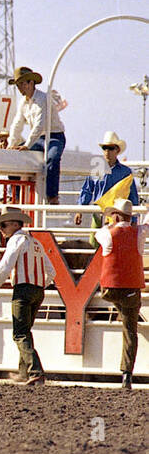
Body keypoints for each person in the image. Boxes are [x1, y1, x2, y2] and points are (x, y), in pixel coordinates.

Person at [0, 206, 55, 386]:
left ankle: (35, 371)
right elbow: (52, 271)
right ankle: (24, 372)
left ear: (15, 224)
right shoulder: (36, 242)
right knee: (25, 331)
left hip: (23, 290)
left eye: (4, 225)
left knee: (20, 333)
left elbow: (6, 265)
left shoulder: (16, 240)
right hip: (38, 290)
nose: (2, 230)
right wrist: (39, 283)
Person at [95, 197, 145, 390]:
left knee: (118, 304)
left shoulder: (106, 234)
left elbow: (97, 237)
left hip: (110, 289)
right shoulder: (139, 232)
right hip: (131, 289)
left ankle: (119, 311)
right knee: (130, 331)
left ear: (115, 216)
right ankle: (127, 374)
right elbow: (145, 225)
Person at [6, 65, 66, 204]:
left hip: (55, 136)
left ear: (31, 83)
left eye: (22, 83)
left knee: (52, 158)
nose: (20, 87)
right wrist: (11, 144)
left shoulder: (43, 99)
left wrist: (27, 145)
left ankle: (52, 196)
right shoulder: (23, 103)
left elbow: (40, 124)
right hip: (39, 138)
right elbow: (17, 123)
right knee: (14, 156)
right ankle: (15, 196)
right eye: (18, 84)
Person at [77, 132, 140, 239]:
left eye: (110, 148)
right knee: (95, 243)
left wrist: (133, 219)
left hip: (118, 216)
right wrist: (79, 210)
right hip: (98, 213)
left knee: (115, 243)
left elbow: (132, 196)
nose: (107, 151)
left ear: (117, 150)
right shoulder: (96, 170)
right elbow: (87, 190)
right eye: (105, 148)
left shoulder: (126, 172)